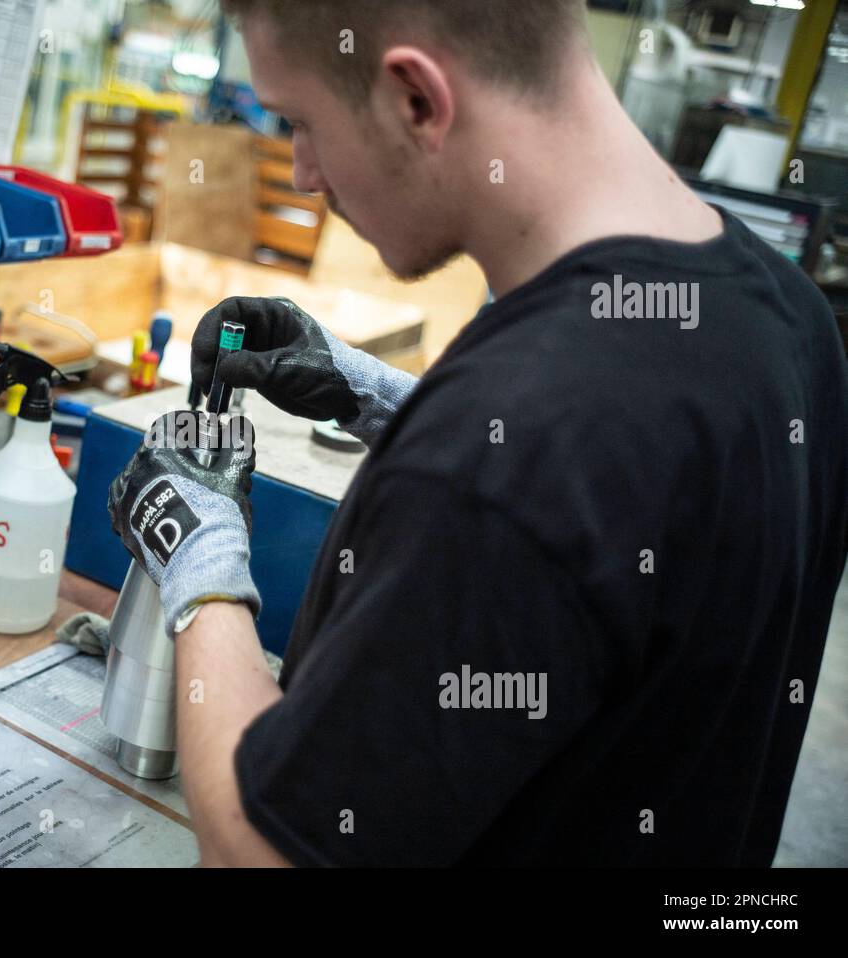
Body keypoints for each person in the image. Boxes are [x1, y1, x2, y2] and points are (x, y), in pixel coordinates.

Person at [107, 0, 848, 866]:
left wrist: (197, 553)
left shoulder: (514, 456)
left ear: (416, 98)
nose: (303, 173)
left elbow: (262, 856)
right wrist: (382, 399)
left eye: (302, 122)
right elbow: (610, 518)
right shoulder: (786, 313)